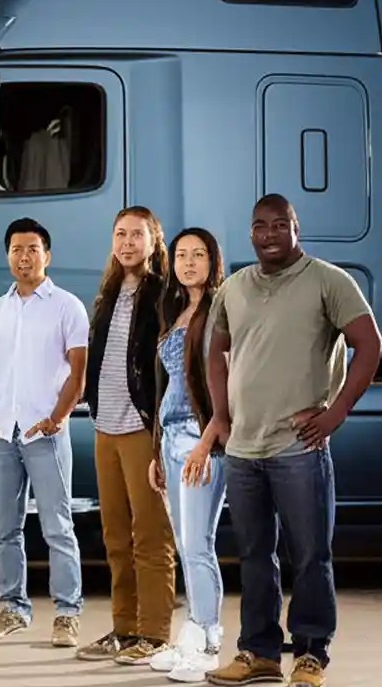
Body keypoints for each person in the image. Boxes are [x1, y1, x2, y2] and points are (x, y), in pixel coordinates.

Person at [205, 195, 381, 687]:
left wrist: (336, 412)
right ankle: (258, 652)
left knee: (309, 555)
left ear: (295, 227)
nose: (269, 234)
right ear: (250, 233)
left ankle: (310, 653)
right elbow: (215, 351)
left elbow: (370, 343)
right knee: (256, 556)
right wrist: (220, 416)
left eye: (280, 224)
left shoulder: (328, 281)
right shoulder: (235, 287)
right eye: (260, 226)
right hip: (243, 449)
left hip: (298, 448)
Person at [0, 217, 88, 648]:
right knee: (4, 528)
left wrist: (57, 417)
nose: (24, 257)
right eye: (17, 249)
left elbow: (79, 373)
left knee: (58, 525)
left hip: (45, 433)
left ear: (47, 255)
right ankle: (13, 608)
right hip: (0, 433)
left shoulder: (67, 306)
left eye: (33, 249)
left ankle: (67, 613)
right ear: (8, 256)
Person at [77, 205, 177, 665]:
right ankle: (124, 627)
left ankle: (155, 634)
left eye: (137, 235)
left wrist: (161, 428)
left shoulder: (164, 295)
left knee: (150, 535)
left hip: (142, 428)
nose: (127, 243)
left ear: (154, 242)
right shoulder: (107, 294)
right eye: (120, 234)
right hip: (105, 428)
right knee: (115, 536)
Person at [146, 227, 228, 682]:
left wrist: (206, 441)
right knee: (183, 544)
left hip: (204, 442)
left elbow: (229, 385)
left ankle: (209, 641)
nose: (189, 262)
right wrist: (157, 451)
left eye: (199, 254)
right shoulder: (174, 310)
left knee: (198, 545)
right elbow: (166, 387)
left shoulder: (219, 310)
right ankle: (192, 635)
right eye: (181, 255)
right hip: (171, 440)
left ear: (213, 261)